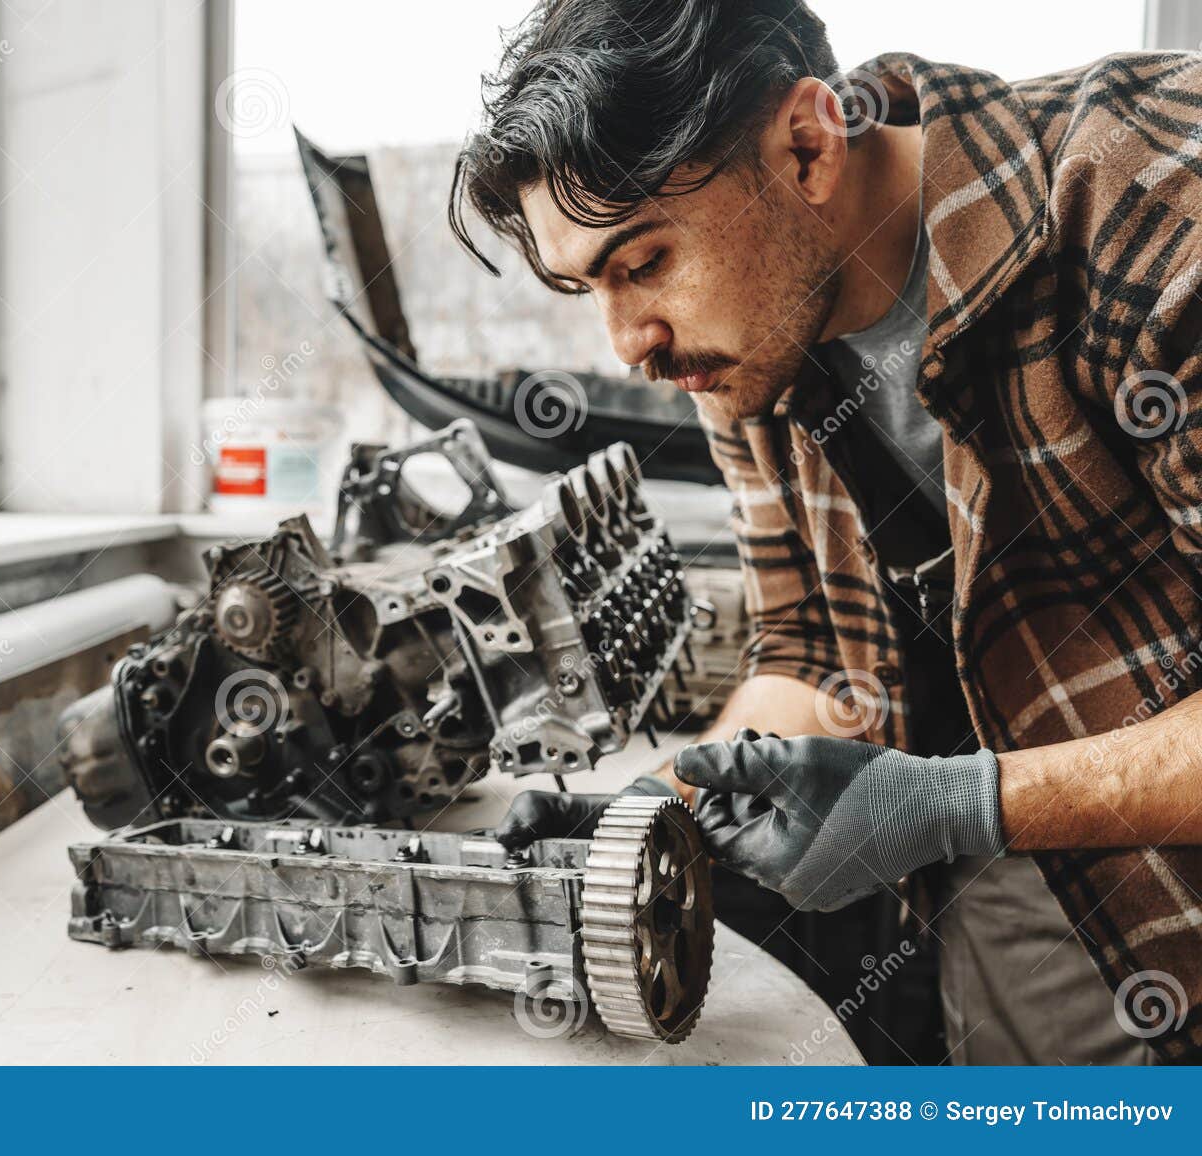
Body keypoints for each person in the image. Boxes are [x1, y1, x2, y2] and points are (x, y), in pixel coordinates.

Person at [453, 0, 1202, 1064]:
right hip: (1009, 881)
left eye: (646, 262)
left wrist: (958, 801)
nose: (629, 344)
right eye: (589, 289)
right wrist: (653, 808)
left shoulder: (1161, 204)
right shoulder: (744, 340)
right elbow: (809, 653)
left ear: (807, 147)